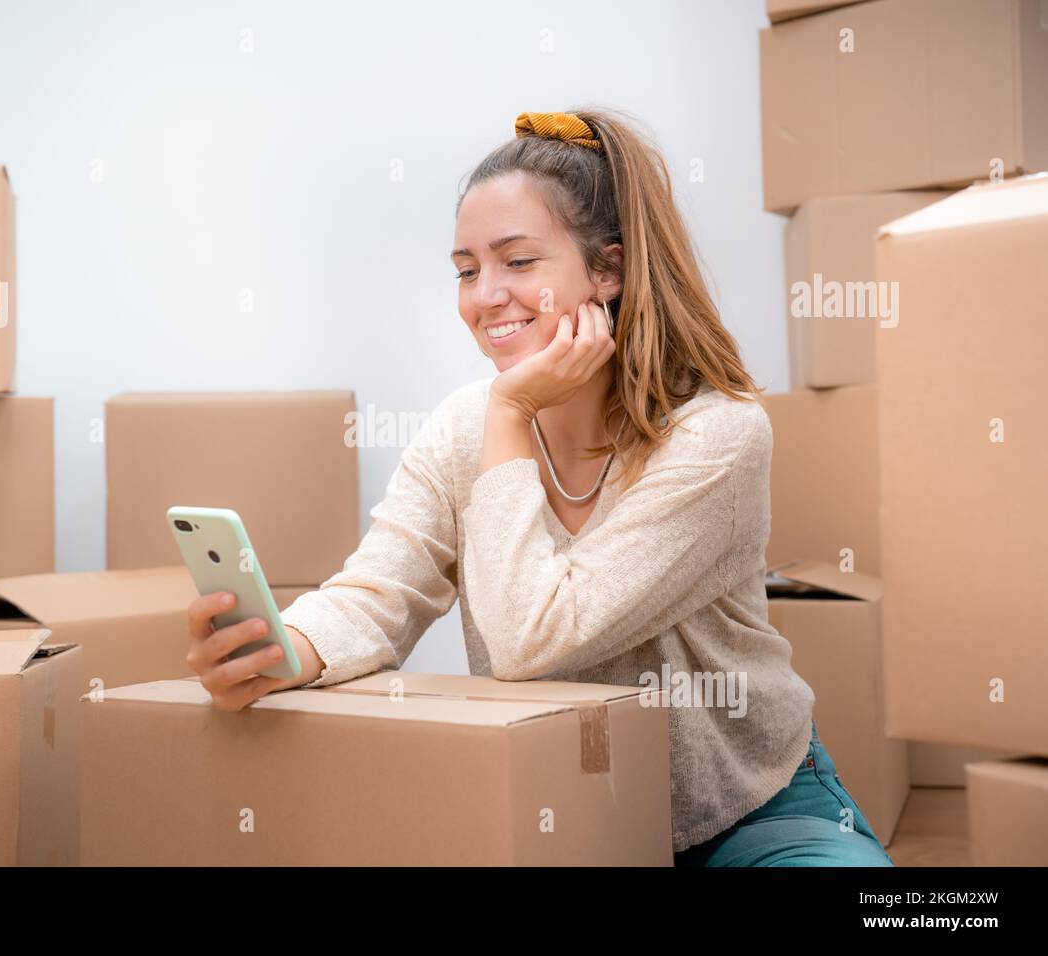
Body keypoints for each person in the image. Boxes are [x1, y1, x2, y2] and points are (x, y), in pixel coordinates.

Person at [185, 107, 894, 866]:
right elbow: (380, 590)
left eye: (518, 262)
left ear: (608, 270)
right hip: (572, 812)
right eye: (466, 269)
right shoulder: (468, 428)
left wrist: (512, 411)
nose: (484, 295)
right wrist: (287, 647)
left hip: (747, 809)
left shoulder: (716, 434)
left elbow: (533, 637)